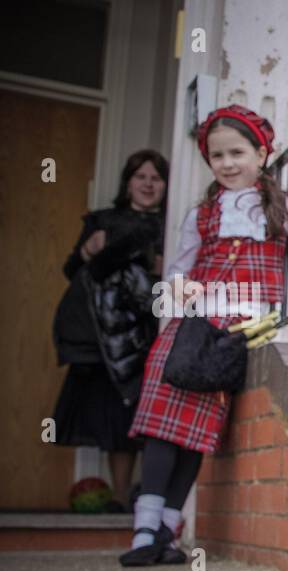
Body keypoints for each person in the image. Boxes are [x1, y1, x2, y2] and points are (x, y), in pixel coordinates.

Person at [121, 104, 288, 566]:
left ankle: (165, 529)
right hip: (194, 325)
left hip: (239, 328)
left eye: (237, 153)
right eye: (217, 155)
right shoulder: (202, 213)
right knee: (162, 423)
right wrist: (179, 285)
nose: (227, 163)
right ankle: (145, 531)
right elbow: (178, 269)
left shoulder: (279, 208)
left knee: (196, 431)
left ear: (262, 154)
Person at [51, 148, 169, 510]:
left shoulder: (172, 225)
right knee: (113, 415)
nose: (148, 184)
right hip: (100, 336)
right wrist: (88, 251)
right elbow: (72, 271)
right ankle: (120, 498)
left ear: (165, 185)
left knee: (140, 415)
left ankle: (143, 498)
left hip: (147, 330)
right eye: (140, 177)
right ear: (128, 182)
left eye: (156, 178)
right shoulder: (102, 220)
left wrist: (159, 267)